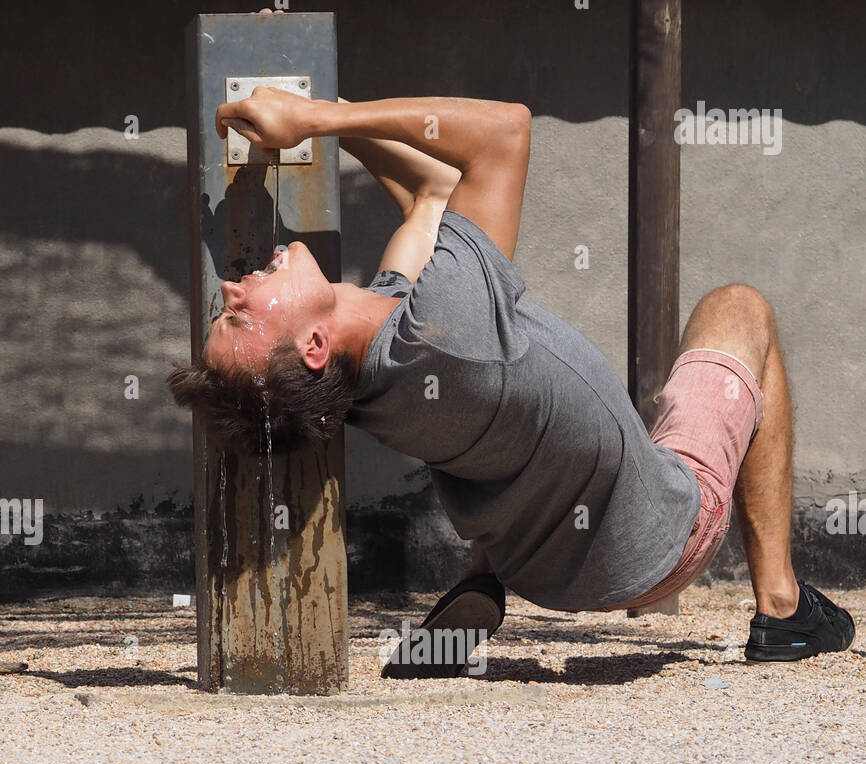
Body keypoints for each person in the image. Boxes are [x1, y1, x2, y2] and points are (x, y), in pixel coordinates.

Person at [168, 83, 855, 676]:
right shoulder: (449, 334)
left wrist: (337, 112)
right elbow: (505, 130)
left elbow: (430, 199)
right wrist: (318, 119)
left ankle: (482, 578)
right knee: (738, 308)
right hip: (662, 544)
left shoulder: (375, 369)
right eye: (235, 319)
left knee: (524, 434)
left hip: (540, 570)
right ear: (314, 344)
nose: (230, 286)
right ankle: (784, 609)